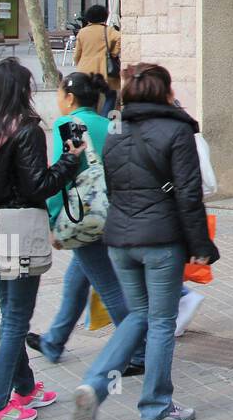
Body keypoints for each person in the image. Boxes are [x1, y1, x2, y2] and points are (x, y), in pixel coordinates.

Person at [73, 63, 218, 420]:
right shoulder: (177, 129)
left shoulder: (115, 128)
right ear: (166, 93)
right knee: (160, 322)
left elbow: (108, 182)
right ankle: (155, 407)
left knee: (137, 316)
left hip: (120, 238)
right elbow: (188, 193)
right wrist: (201, 245)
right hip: (161, 240)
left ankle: (95, 383)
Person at [0, 58, 83, 420]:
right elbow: (40, 186)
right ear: (19, 92)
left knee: (9, 314)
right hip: (19, 235)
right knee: (16, 319)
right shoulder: (27, 130)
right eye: (29, 87)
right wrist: (70, 160)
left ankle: (26, 389)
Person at [25, 73, 145, 374]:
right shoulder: (109, 124)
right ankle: (54, 340)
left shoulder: (68, 125)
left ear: (68, 97)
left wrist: (53, 221)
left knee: (109, 287)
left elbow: (60, 175)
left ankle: (138, 353)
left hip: (84, 219)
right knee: (77, 279)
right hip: (112, 214)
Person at [74, 5, 120, 116]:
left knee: (91, 98)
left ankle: (91, 121)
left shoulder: (82, 32)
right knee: (111, 95)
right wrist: (113, 52)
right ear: (105, 17)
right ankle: (103, 119)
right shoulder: (108, 30)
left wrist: (78, 63)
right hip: (103, 69)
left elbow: (77, 54)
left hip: (85, 69)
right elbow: (120, 38)